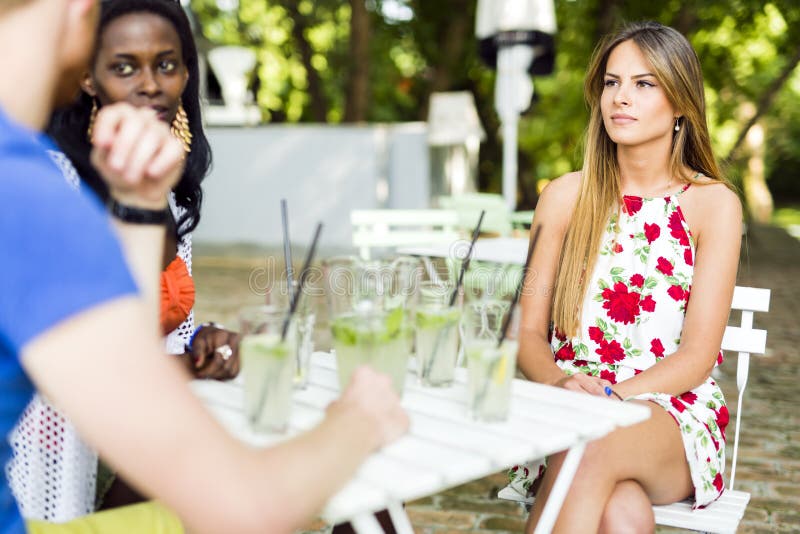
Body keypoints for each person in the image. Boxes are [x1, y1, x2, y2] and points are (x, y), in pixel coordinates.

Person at [0, 1, 408, 533]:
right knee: (356, 500)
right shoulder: (30, 193)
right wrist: (361, 416)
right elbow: (245, 510)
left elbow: (128, 373)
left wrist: (140, 203)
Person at [8, 0, 239, 520]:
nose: (150, 84)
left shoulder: (168, 190)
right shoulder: (51, 178)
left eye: (166, 64)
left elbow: (161, 334)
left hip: (124, 440)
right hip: (44, 466)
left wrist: (203, 344)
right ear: (88, 77)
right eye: (124, 66)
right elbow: (75, 366)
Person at [510, 21, 742, 533]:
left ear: (680, 101)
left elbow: (697, 357)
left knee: (593, 443)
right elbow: (527, 333)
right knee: (623, 514)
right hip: (570, 407)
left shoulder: (712, 205)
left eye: (644, 84)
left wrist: (611, 400)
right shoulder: (564, 197)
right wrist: (560, 384)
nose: (621, 98)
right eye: (612, 83)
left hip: (668, 414)